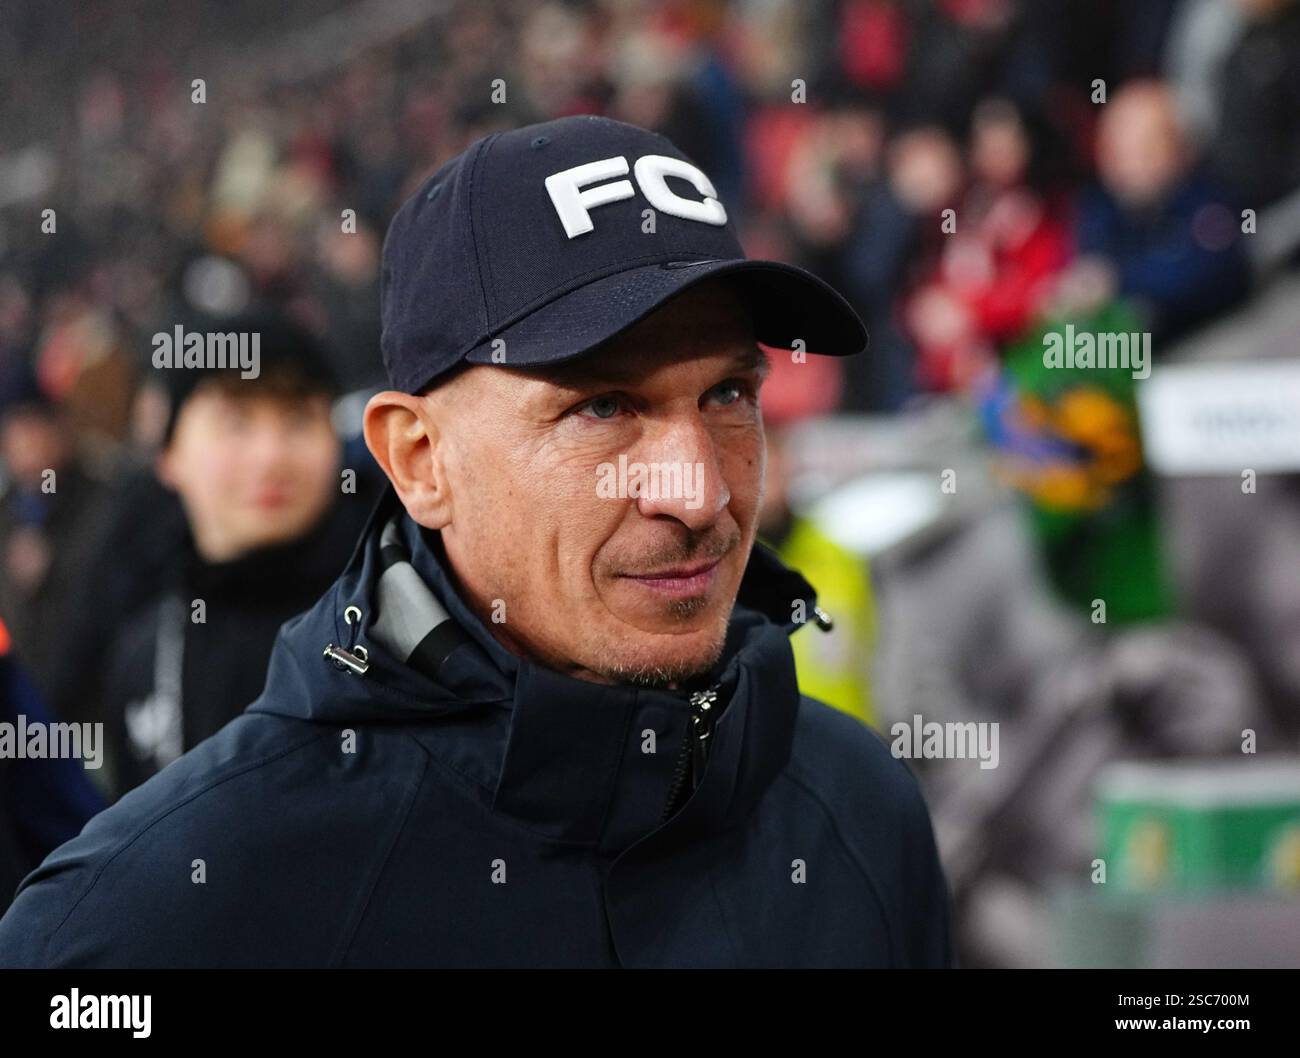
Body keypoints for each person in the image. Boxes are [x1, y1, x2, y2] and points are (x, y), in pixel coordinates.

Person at [0, 116, 953, 968]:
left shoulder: (860, 809)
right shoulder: (154, 913)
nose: (699, 493)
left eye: (729, 396)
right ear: (418, 460)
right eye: (603, 406)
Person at [92, 310, 382, 797]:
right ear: (169, 455)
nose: (271, 456)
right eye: (237, 422)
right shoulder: (144, 650)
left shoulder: (388, 619)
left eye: (297, 420)